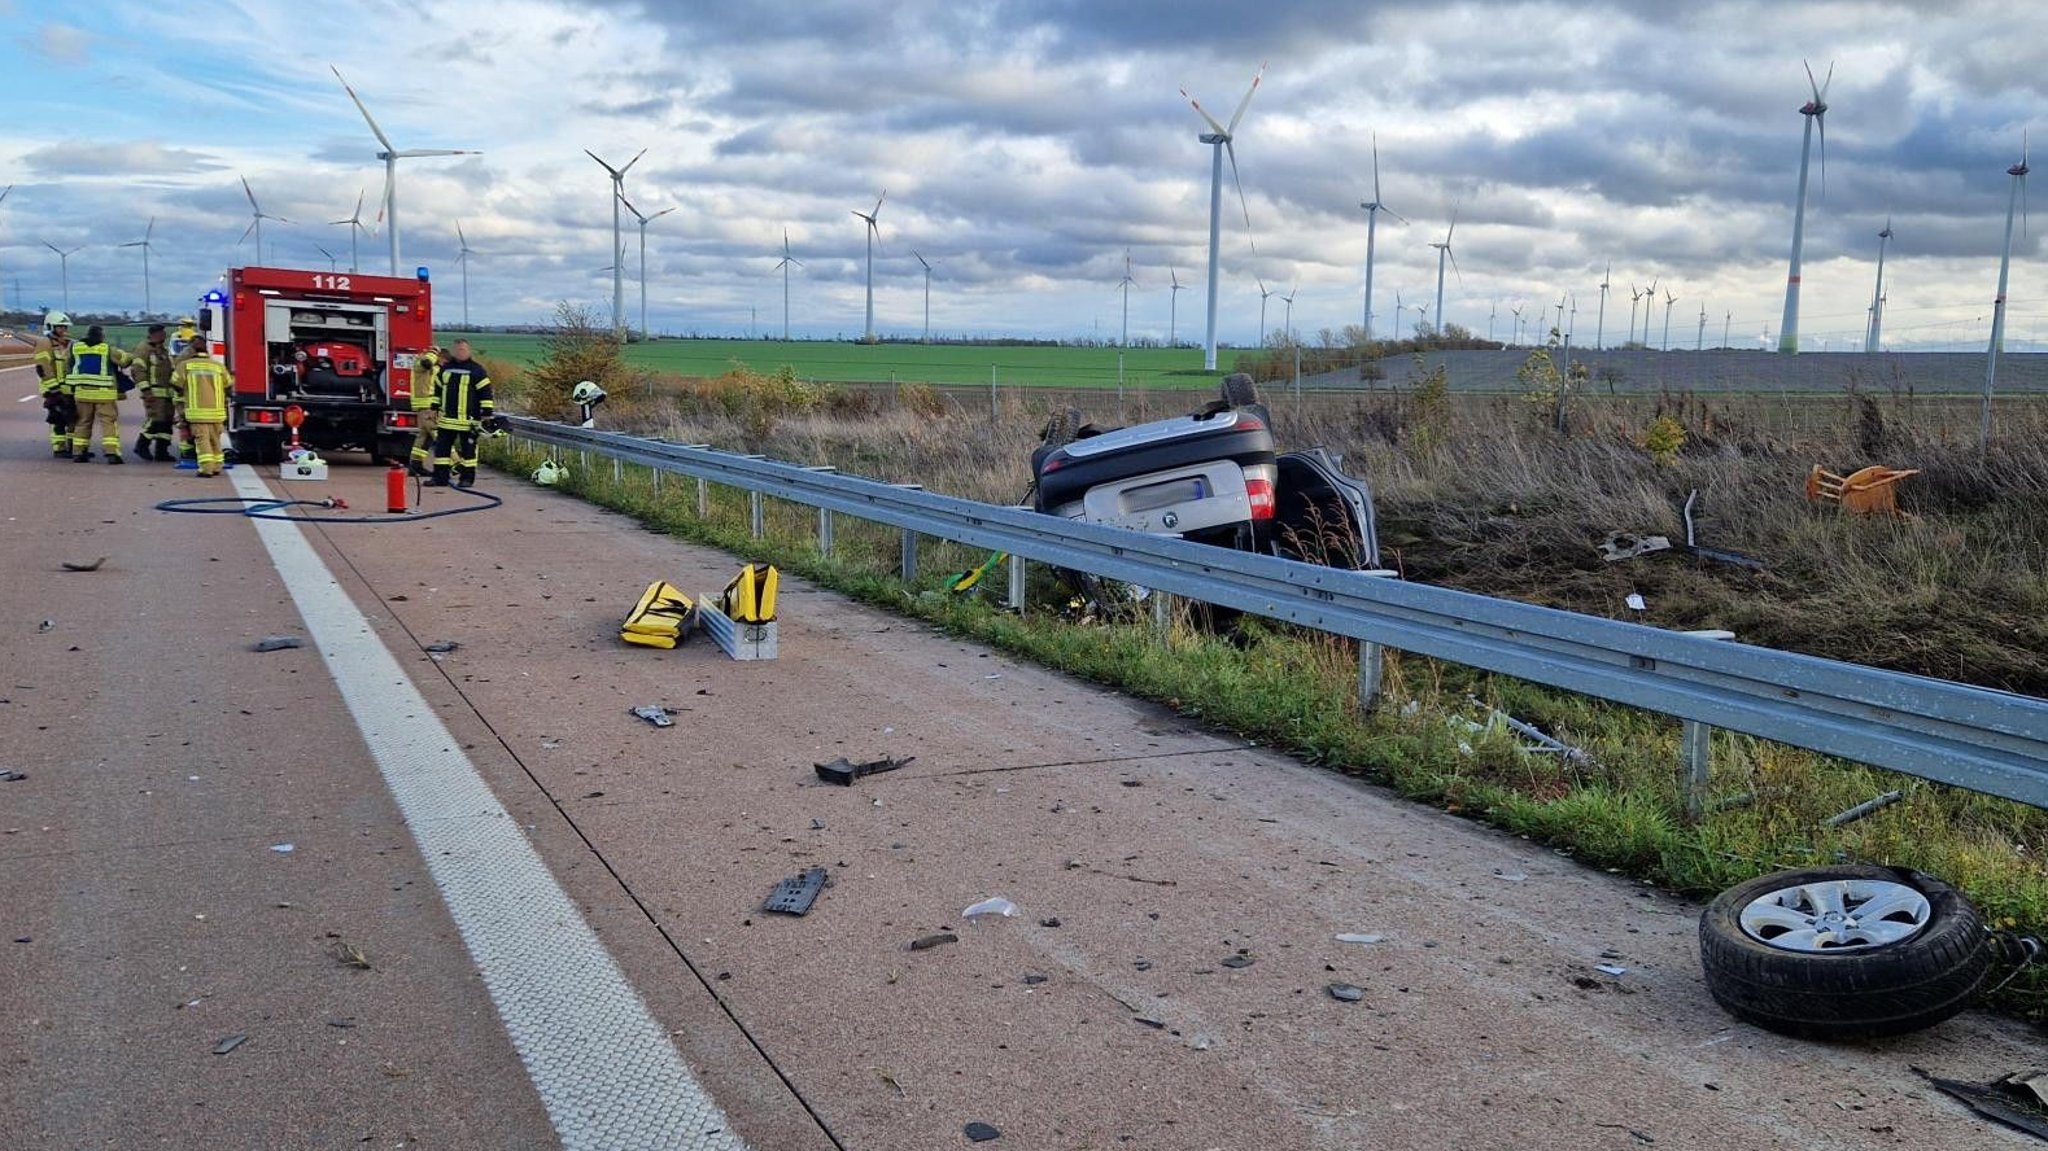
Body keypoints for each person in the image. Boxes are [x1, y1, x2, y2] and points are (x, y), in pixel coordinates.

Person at [428, 339, 492, 488]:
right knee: (442, 452)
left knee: (468, 453)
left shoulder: (477, 370)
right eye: (457, 350)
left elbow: (486, 394)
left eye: (463, 350)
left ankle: (467, 479)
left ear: (469, 351)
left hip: (468, 421)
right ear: (453, 351)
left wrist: (486, 414)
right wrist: (433, 407)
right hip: (447, 420)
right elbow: (437, 390)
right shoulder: (446, 369)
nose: (460, 352)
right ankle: (440, 478)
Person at [65, 325, 133, 464]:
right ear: (101, 336)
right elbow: (125, 361)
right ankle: (112, 453)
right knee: (108, 422)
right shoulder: (106, 349)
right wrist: (131, 354)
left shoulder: (75, 348)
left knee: (83, 422)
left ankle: (78, 452)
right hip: (104, 393)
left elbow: (68, 366)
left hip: (82, 392)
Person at [172, 345, 232, 478]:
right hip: (217, 412)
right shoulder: (218, 366)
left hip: (197, 412)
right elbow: (228, 384)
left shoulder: (185, 365)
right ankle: (217, 466)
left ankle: (206, 469)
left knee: (202, 440)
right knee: (215, 440)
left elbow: (175, 383)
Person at [129, 324, 177, 461]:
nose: (165, 336)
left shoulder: (162, 350)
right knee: (155, 420)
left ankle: (162, 451)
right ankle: (141, 446)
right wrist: (146, 390)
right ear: (153, 334)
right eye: (162, 333)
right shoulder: (143, 349)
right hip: (153, 392)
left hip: (167, 393)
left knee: (166, 422)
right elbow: (138, 370)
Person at [32, 312, 73, 457]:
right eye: (60, 327)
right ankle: (59, 449)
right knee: (58, 420)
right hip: (54, 390)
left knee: (72, 419)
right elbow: (43, 369)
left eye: (65, 327)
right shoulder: (45, 344)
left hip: (68, 390)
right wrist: (54, 390)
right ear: (50, 327)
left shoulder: (66, 344)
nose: (64, 330)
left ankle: (72, 448)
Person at [407, 345, 443, 475]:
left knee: (424, 436)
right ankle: (456, 464)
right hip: (427, 406)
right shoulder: (424, 363)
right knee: (440, 435)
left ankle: (415, 465)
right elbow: (427, 362)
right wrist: (434, 351)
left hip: (426, 405)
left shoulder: (432, 368)